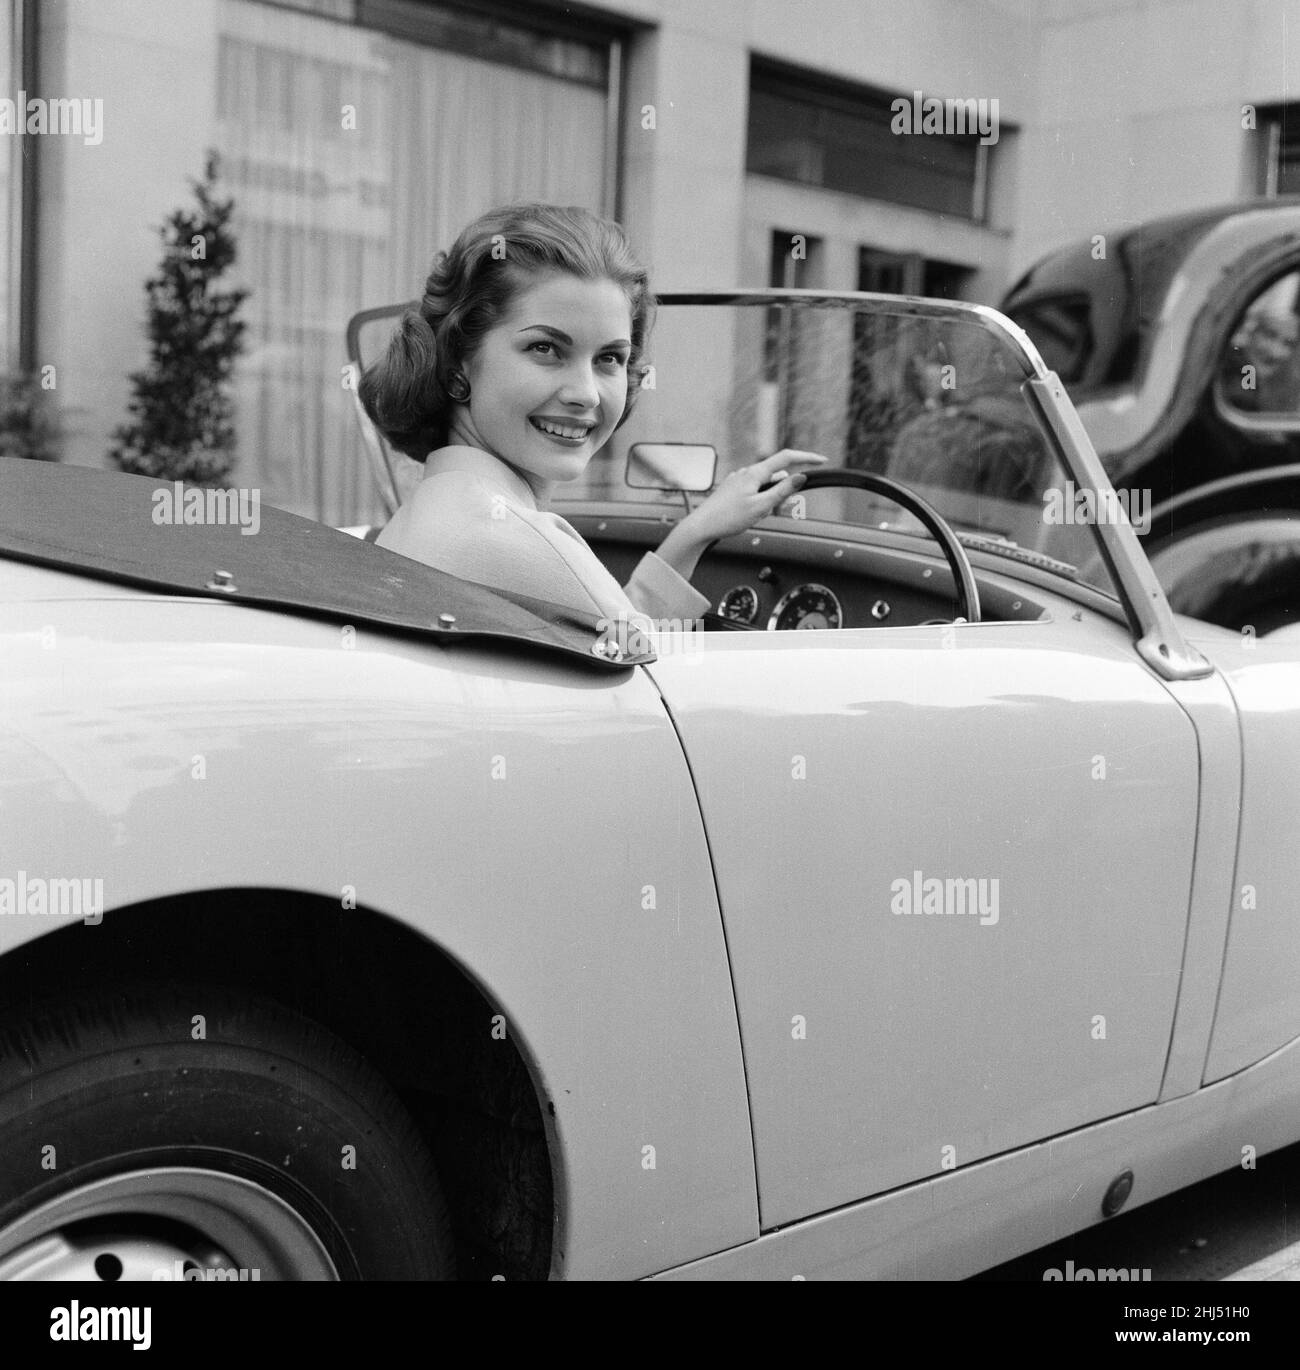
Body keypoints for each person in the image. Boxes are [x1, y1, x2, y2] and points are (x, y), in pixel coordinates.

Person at [359, 203, 826, 631]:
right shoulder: (523, 542)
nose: (585, 394)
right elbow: (652, 684)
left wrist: (697, 530)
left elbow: (610, 637)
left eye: (609, 359)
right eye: (545, 349)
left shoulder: (419, 515)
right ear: (458, 362)